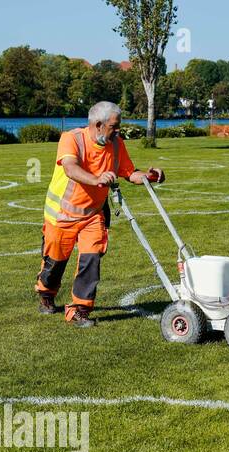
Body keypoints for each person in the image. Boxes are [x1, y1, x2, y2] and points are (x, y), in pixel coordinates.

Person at [35, 101, 164, 327]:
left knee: (91, 259)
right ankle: (46, 294)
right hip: (61, 215)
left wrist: (148, 176)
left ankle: (80, 310)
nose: (118, 131)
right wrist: (96, 179)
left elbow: (128, 172)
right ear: (98, 125)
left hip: (93, 214)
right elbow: (70, 168)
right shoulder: (72, 139)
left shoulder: (116, 144)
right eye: (114, 126)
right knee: (54, 263)